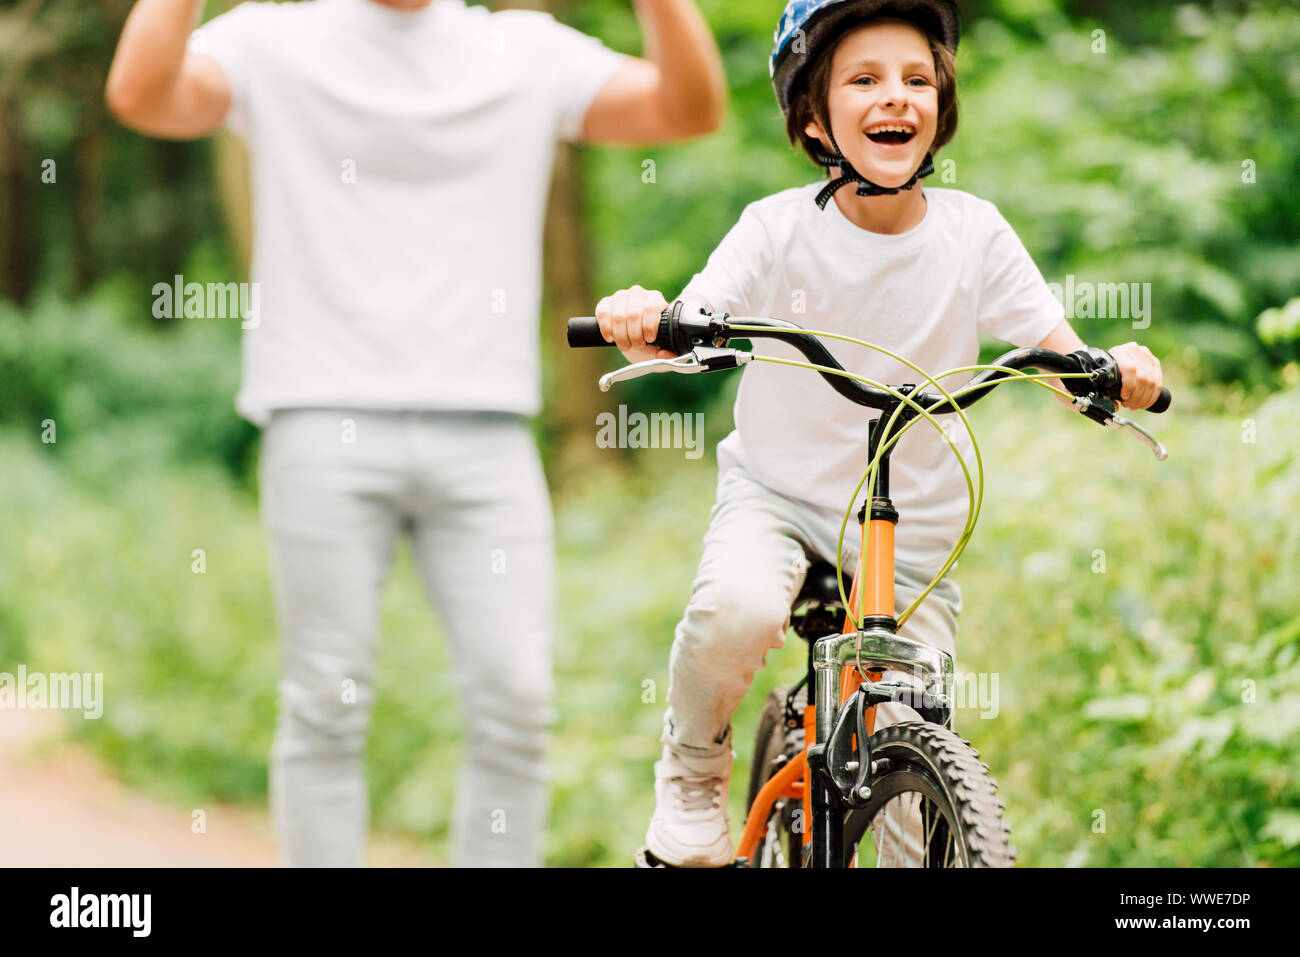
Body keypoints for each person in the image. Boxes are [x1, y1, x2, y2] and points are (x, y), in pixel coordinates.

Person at [105, 0, 725, 868]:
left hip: (485, 426)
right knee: (326, 702)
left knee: (515, 699)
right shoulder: (272, 39)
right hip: (320, 416)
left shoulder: (521, 51)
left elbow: (688, 109)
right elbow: (142, 94)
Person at [594, 0, 1163, 867]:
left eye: (916, 78)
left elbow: (1060, 355)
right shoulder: (776, 227)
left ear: (939, 105)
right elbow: (696, 315)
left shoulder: (975, 234)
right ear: (816, 115)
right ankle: (694, 770)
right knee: (737, 607)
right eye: (863, 79)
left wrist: (1112, 367)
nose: (895, 96)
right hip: (777, 497)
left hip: (913, 528)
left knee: (908, 765)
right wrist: (650, 319)